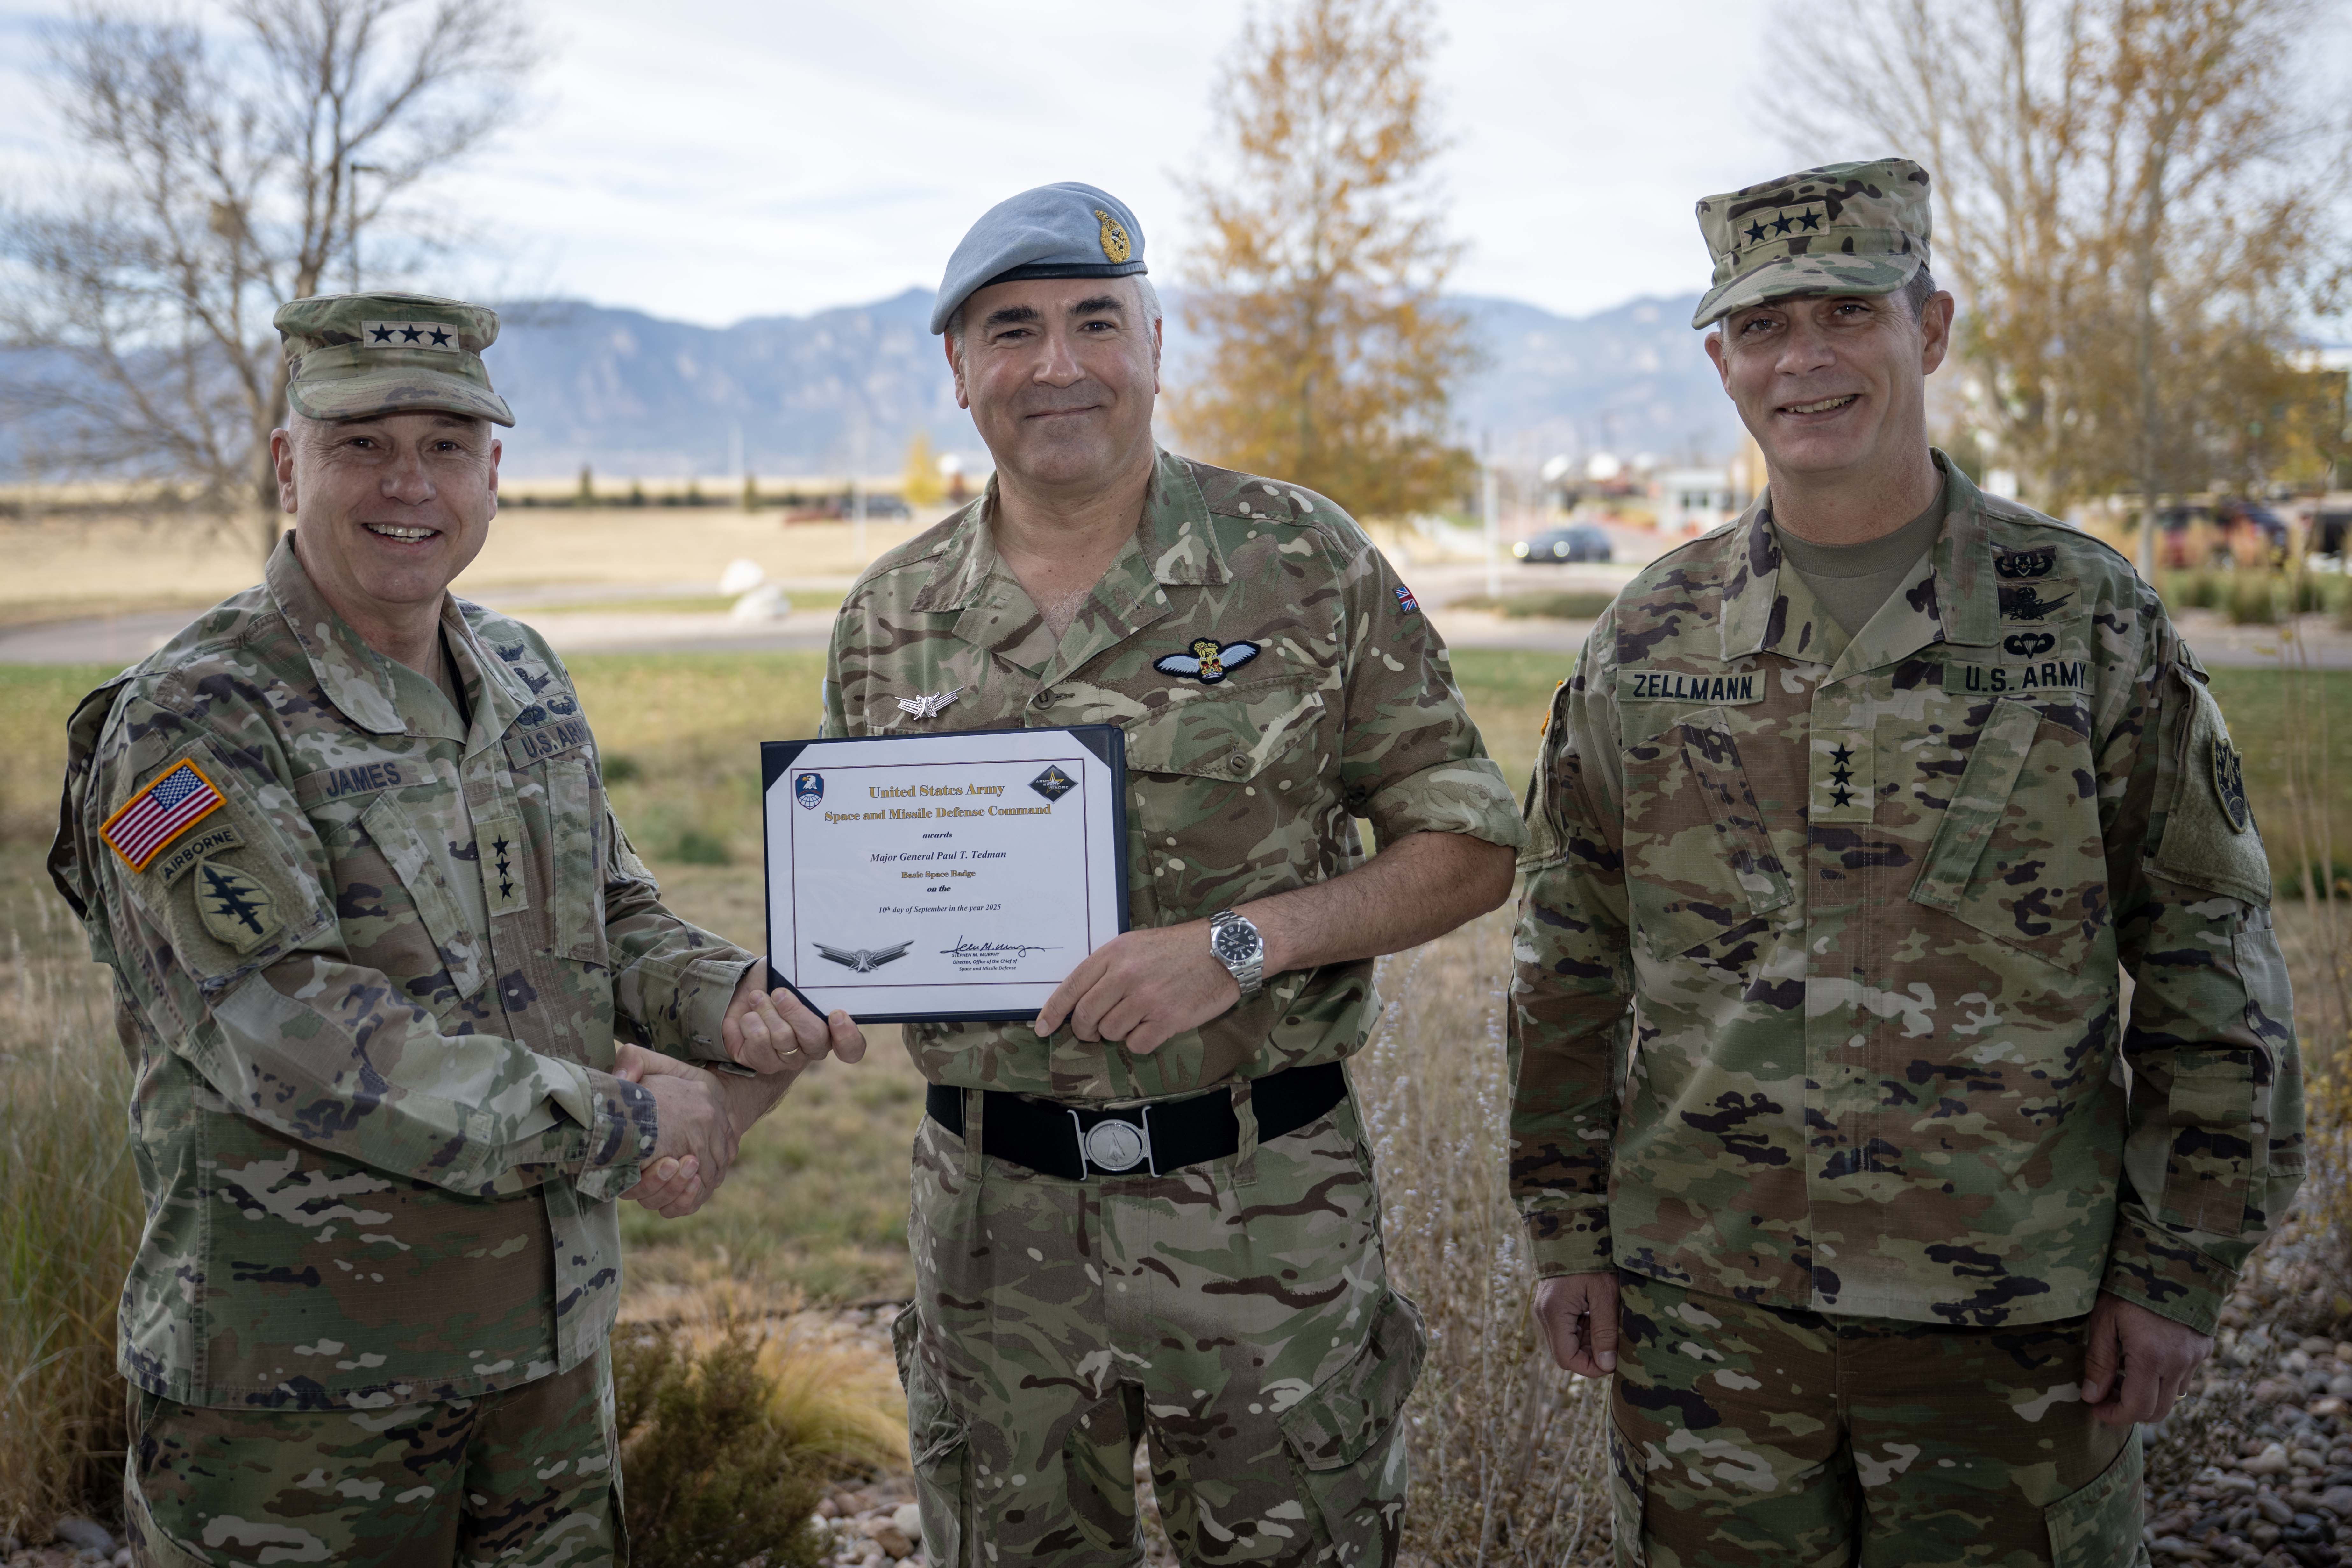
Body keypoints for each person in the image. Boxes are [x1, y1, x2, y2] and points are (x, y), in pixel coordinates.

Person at [1508, 158, 2303, 1563]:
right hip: (1710, 1317)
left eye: (1843, 314)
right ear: (1720, 362)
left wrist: (2175, 1266)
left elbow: (2204, 956)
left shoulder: (2079, 617)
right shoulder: (1650, 637)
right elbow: (1567, 951)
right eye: (1760, 328)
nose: (1801, 361)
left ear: (1926, 330)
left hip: (2011, 1322)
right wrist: (1565, 1226)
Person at [733, 181, 1523, 1565]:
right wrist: (749, 1035)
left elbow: (1465, 843)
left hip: (1262, 1215)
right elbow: (856, 897)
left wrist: (1239, 942)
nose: (1058, 365)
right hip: (995, 1237)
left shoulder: (1301, 561)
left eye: (1096, 320)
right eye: (1012, 330)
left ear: (1157, 344)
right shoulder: (889, 619)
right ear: (959, 368)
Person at [48, 290, 842, 1567]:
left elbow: (609, 914)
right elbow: (296, 1031)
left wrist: (730, 993)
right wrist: (632, 1120)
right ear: (287, 462)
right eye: (362, 442)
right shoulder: (189, 720)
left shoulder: (521, 676)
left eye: (445, 445)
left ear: (493, 474)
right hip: (302, 1405)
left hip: (543, 1363)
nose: (405, 482)